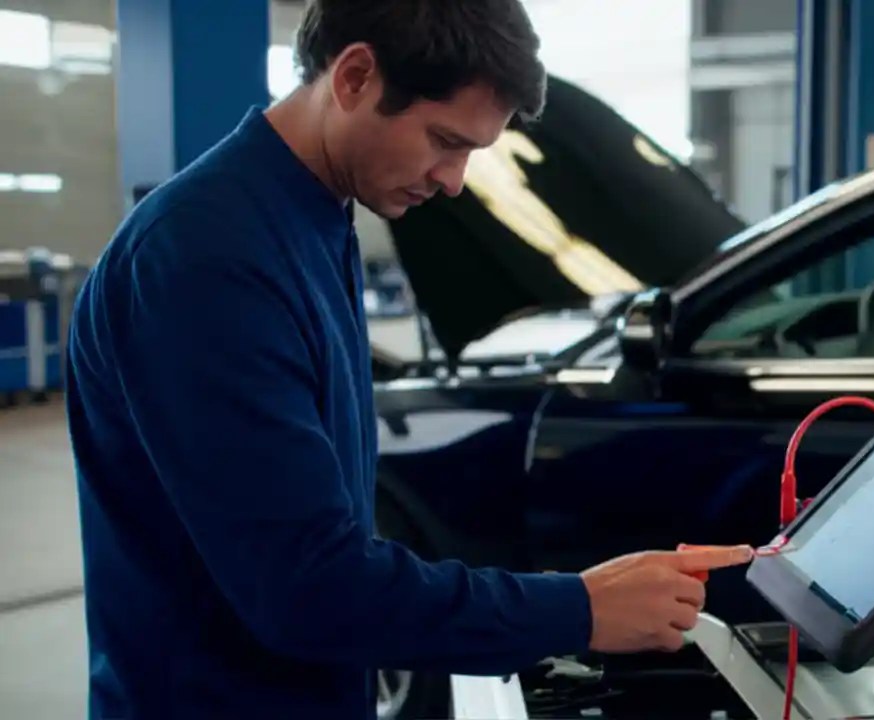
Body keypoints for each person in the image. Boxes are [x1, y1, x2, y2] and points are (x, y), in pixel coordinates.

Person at [64, 1, 752, 718]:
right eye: (445, 141)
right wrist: (578, 608)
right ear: (355, 77)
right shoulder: (209, 259)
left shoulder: (311, 215)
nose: (453, 180)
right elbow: (308, 589)